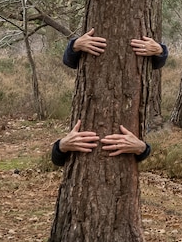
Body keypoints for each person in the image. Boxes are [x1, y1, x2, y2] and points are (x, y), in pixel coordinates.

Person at [53, 28, 165, 165]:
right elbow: (57, 160)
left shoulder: (137, 107)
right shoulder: (82, 105)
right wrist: (74, 46)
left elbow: (141, 152)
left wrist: (160, 51)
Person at [51, 120, 152, 166]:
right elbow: (57, 161)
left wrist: (142, 148)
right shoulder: (77, 122)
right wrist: (61, 146)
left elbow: (139, 155)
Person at [62, 28, 168, 69]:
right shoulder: (90, 28)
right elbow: (68, 62)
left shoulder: (150, 29)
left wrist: (160, 51)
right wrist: (74, 45)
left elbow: (157, 65)